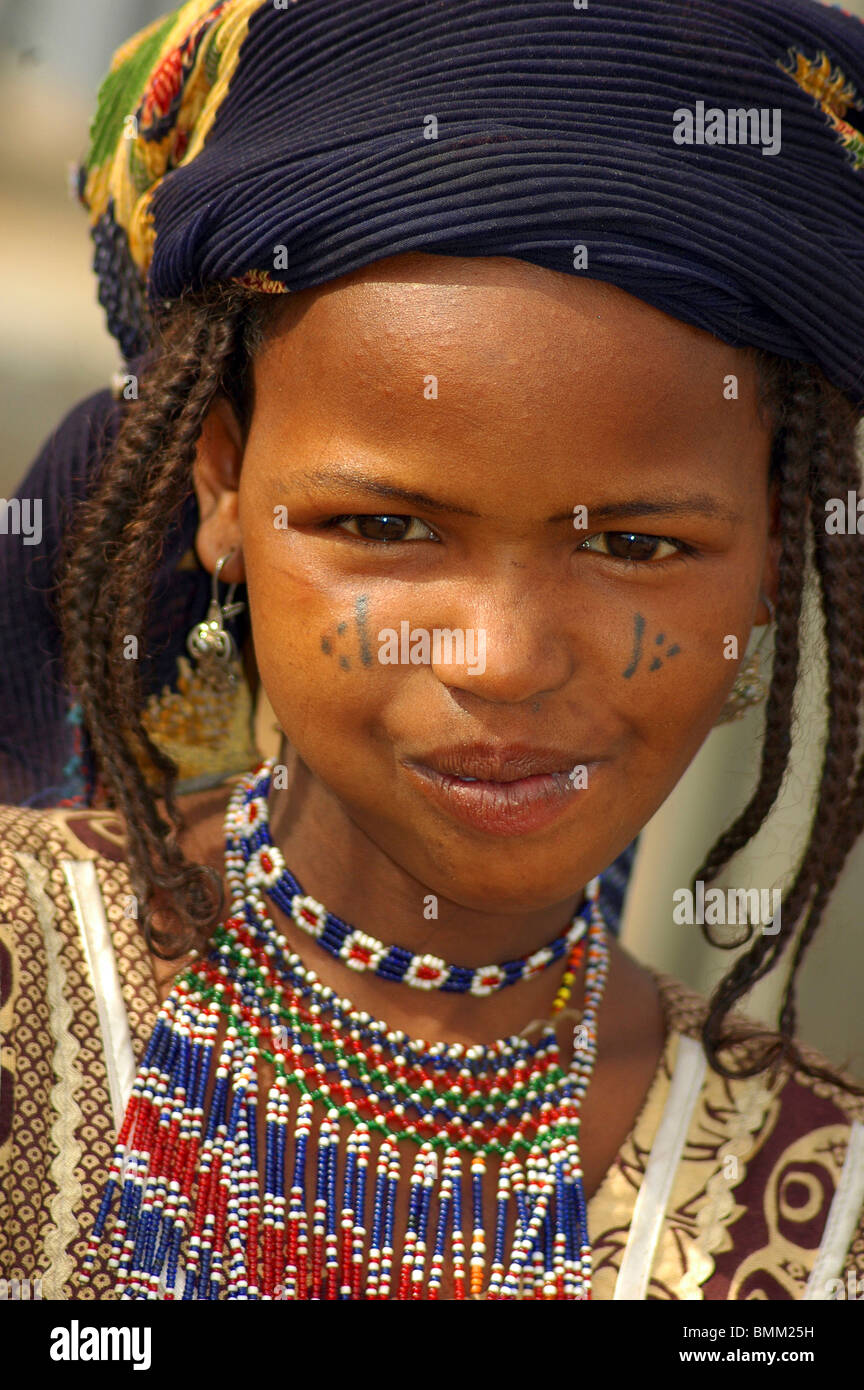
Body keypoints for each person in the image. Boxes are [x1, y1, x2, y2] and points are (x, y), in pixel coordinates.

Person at [1, 0, 864, 1302]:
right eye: (388, 525)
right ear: (222, 487)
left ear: (776, 549)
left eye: (636, 546)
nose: (504, 659)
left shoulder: (821, 1214)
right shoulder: (24, 969)